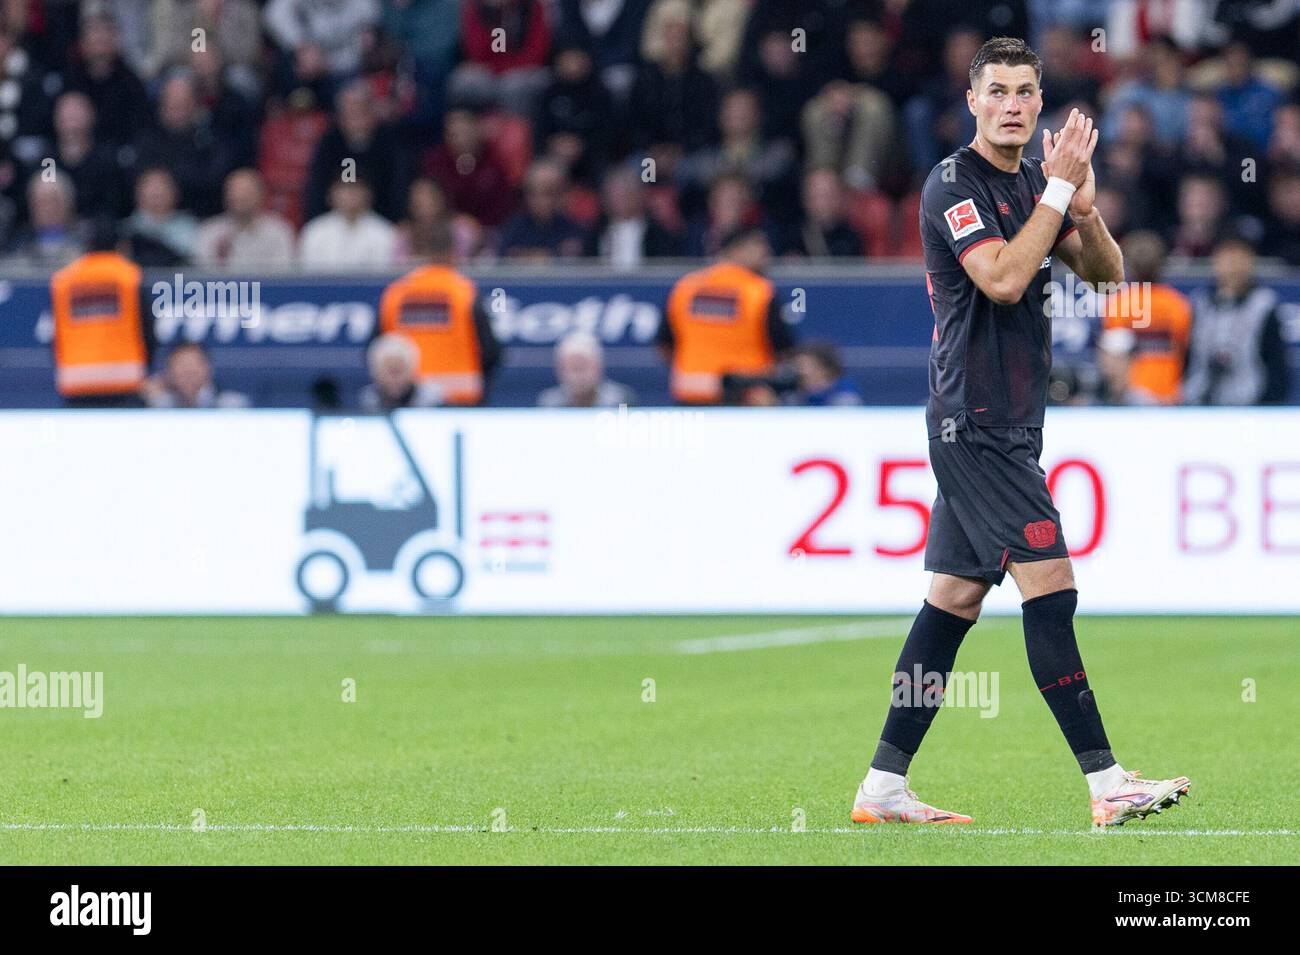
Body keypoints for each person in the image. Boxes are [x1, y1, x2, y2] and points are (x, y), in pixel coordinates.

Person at [853, 38, 1189, 830]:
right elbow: (1003, 278)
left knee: (952, 601)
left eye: (1026, 91)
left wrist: (1083, 206)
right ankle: (1106, 782)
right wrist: (1055, 193)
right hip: (976, 420)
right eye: (997, 90)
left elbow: (1108, 279)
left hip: (1005, 420)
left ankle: (883, 787)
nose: (1012, 103)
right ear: (972, 101)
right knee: (1053, 586)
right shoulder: (951, 185)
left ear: (1041, 103)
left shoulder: (1041, 183)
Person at [658, 223, 794, 404]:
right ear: (735, 250)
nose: (767, 254)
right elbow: (783, 349)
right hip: (745, 396)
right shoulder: (759, 292)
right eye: (759, 247)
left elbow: (664, 344)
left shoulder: (686, 288)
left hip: (692, 395)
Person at [378, 225, 502, 405]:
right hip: (460, 400)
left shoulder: (396, 294)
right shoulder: (465, 292)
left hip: (409, 400)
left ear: (419, 252)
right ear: (454, 252)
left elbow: (377, 350)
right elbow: (491, 351)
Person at [49, 223, 151, 407]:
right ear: (121, 246)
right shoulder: (131, 277)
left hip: (77, 385)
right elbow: (148, 330)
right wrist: (146, 367)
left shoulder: (63, 281)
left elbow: (54, 334)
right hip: (124, 385)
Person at [1183, 235, 1290, 406]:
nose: (1233, 266)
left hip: (1250, 406)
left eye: (1239, 258)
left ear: (1251, 261)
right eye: (1227, 258)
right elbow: (1187, 356)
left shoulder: (1264, 305)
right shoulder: (1199, 304)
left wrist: (1269, 404)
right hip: (1199, 405)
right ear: (1215, 262)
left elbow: (1276, 362)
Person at [196, 169, 297, 269]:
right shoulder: (210, 231)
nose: (239, 197)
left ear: (261, 195)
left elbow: (282, 277)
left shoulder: (279, 231)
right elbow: (201, 275)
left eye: (246, 193)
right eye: (233, 192)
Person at [299, 178, 397, 270]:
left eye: (355, 189)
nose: (350, 195)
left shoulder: (384, 232)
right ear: (332, 193)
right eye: (344, 189)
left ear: (368, 193)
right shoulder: (315, 231)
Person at [537, 330, 636, 408]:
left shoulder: (621, 401)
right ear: (559, 370)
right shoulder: (549, 405)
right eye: (573, 368)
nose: (578, 376)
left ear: (598, 367)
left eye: (583, 367)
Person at [140, 342, 250, 408]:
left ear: (208, 368)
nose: (188, 372)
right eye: (182, 366)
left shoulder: (230, 405)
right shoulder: (162, 403)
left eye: (194, 365)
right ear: (169, 372)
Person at [358, 333, 443, 412]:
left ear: (411, 369)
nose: (394, 378)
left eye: (399, 370)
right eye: (390, 370)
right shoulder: (368, 400)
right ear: (376, 371)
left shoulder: (430, 399)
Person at [791, 342, 861, 405]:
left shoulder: (845, 399)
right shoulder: (793, 396)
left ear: (825, 369)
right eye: (797, 366)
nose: (800, 372)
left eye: (806, 366)